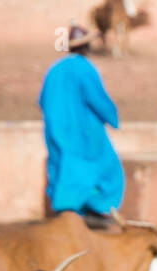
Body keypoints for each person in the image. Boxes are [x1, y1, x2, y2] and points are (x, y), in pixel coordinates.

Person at [39, 23, 124, 229]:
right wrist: (112, 117)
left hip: (56, 133)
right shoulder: (85, 69)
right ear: (86, 47)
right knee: (103, 170)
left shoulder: (54, 70)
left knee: (62, 169)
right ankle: (94, 211)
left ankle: (66, 212)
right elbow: (98, 99)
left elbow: (42, 100)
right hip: (84, 134)